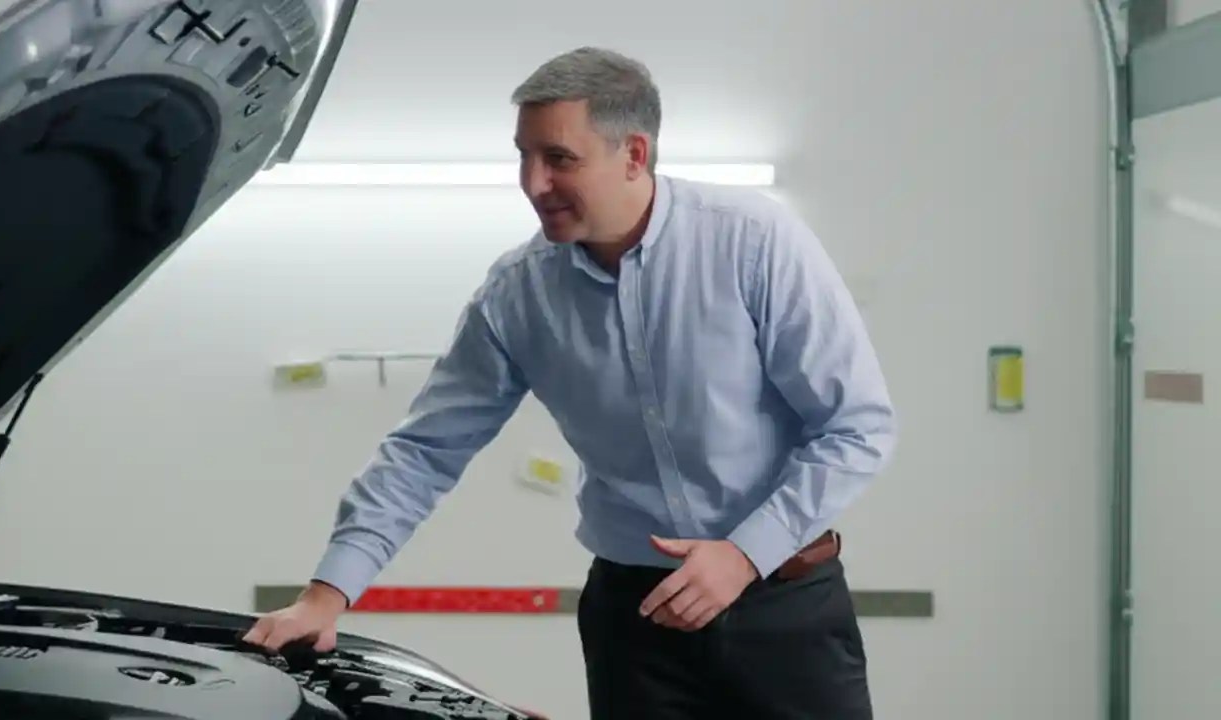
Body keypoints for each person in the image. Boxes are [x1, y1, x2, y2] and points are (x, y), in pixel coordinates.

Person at [244, 46, 896, 719]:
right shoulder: (517, 295)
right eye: (523, 155)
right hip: (636, 623)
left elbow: (857, 427)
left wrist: (743, 554)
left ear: (634, 155)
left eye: (559, 159)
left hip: (784, 606)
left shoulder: (753, 242)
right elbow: (424, 451)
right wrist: (328, 593)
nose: (532, 182)